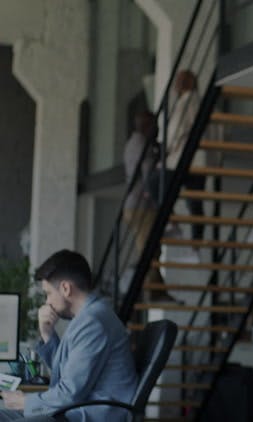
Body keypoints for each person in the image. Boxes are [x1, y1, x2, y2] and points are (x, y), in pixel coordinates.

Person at [0, 250, 138, 421]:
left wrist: (24, 402)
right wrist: (48, 334)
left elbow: (69, 393)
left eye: (48, 293)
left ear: (65, 288)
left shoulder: (92, 323)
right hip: (76, 409)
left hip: (88, 415)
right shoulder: (89, 316)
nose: (47, 302)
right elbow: (67, 372)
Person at [123, 111, 175, 302]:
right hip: (141, 206)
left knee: (151, 249)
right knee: (149, 249)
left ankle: (156, 289)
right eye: (155, 125)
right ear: (146, 126)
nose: (158, 129)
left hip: (136, 205)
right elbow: (147, 176)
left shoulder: (135, 143)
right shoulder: (140, 145)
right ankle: (151, 290)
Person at [149, 69, 205, 241]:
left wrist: (165, 151)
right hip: (200, 161)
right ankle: (197, 243)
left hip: (180, 159)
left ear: (182, 84)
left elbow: (174, 133)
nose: (175, 85)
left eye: (178, 81)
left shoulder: (185, 104)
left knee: (153, 184)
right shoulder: (201, 102)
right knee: (195, 203)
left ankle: (172, 223)